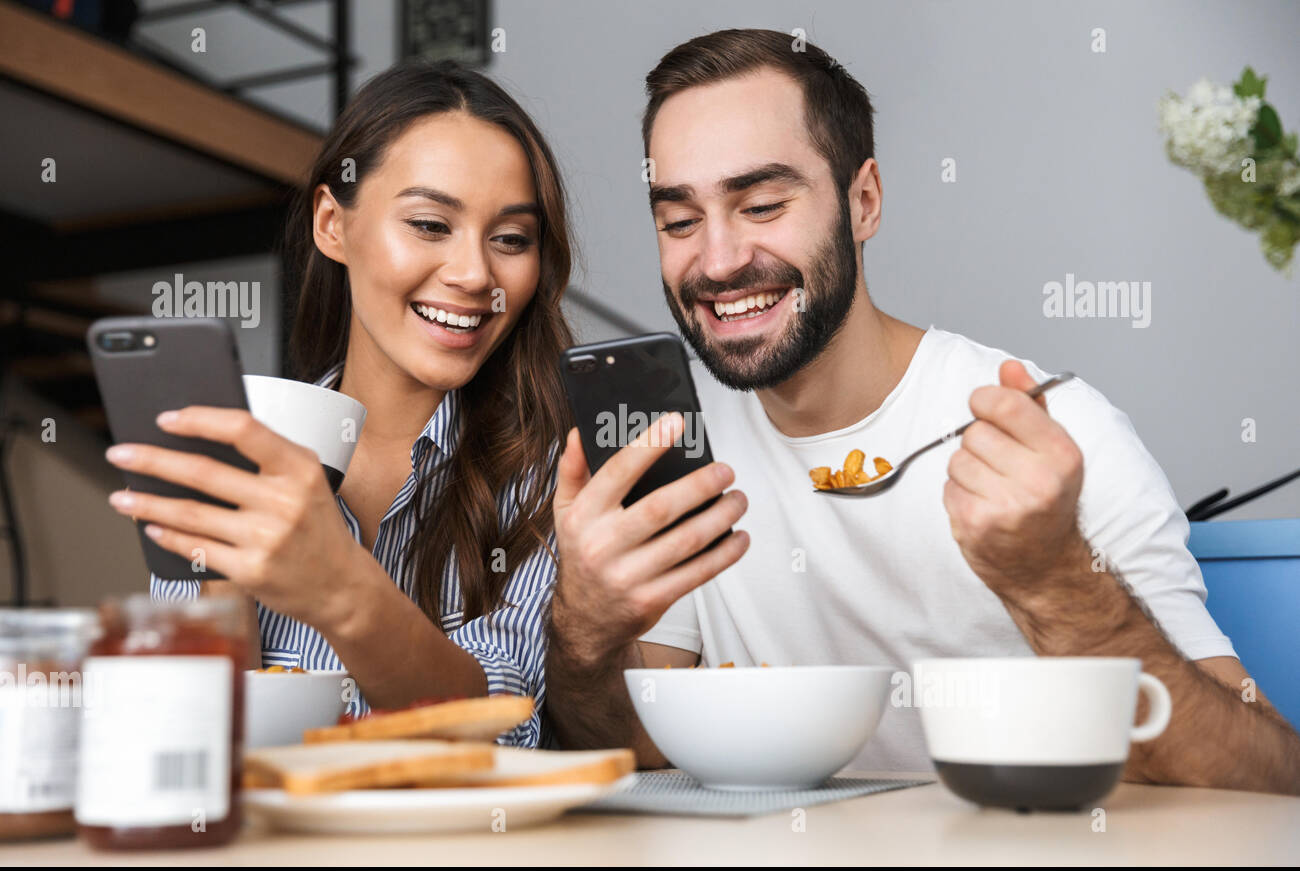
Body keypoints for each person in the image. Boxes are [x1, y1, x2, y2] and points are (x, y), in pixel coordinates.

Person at [543, 28, 1300, 792]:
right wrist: (584, 629)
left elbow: (1267, 779)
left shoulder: (1056, 433)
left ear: (863, 200)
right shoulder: (683, 450)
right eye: (678, 221)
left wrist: (1057, 577)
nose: (717, 259)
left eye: (763, 204)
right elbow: (629, 746)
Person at [106, 61, 575, 746]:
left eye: (510, 239)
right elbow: (184, 733)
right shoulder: (240, 449)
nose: (475, 274)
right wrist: (223, 586)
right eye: (429, 224)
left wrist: (343, 592)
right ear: (333, 224)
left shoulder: (555, 478)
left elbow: (504, 726)